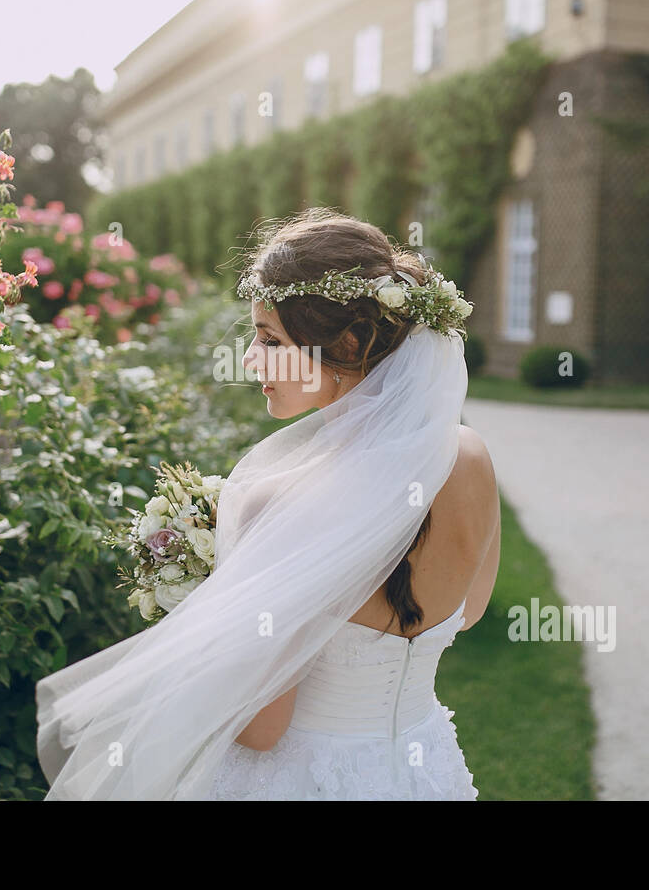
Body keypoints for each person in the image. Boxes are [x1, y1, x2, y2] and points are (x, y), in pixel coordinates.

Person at [35, 209, 501, 799]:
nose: (251, 359)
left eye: (269, 339)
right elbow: (470, 608)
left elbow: (261, 730)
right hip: (420, 767)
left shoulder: (277, 501)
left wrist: (211, 602)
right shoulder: (471, 457)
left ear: (350, 343)